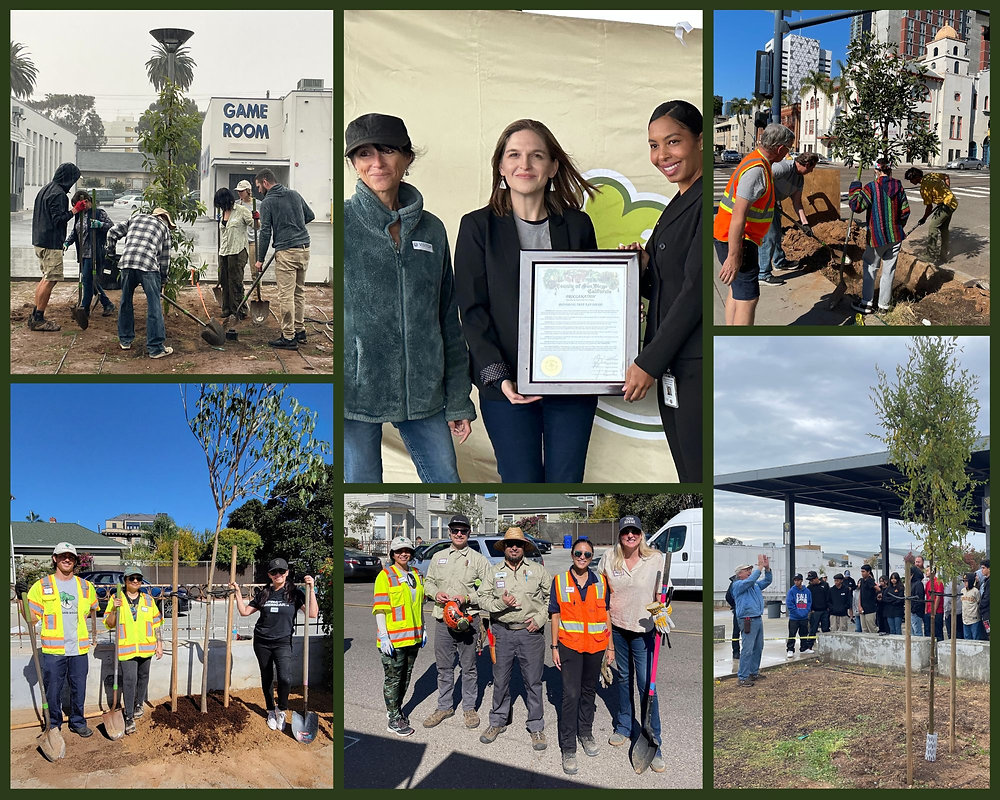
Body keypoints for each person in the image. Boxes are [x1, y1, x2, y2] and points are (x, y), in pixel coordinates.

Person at [454, 119, 598, 483]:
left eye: (537, 156)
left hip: (571, 385)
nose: (525, 164)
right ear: (501, 167)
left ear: (552, 167)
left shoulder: (578, 226)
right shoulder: (476, 227)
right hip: (507, 387)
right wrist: (498, 377)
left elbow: (593, 305)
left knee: (567, 480)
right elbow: (472, 312)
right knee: (520, 481)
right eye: (514, 155)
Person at [343, 113, 475, 483]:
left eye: (387, 150)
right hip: (354, 399)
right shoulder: (344, 224)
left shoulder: (432, 230)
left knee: (447, 480)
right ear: (353, 164)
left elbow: (448, 317)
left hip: (424, 393)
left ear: (407, 157)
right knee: (358, 488)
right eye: (364, 154)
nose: (377, 163)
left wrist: (458, 398)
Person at [619, 101, 704, 482]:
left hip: (695, 369)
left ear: (700, 141)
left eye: (673, 142)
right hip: (675, 370)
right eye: (654, 145)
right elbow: (668, 287)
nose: (662, 155)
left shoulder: (707, 202)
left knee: (698, 474)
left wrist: (648, 362)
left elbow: (695, 293)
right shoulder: (679, 200)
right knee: (688, 472)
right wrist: (643, 268)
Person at [596, 516, 669, 772]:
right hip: (617, 628)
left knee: (646, 685)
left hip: (644, 631)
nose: (630, 535)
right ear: (620, 534)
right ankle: (624, 726)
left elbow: (661, 595)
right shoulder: (609, 558)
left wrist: (663, 611)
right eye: (626, 531)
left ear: (641, 534)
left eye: (635, 531)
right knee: (624, 679)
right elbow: (602, 594)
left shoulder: (655, 559)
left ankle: (654, 741)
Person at [714, 123, 794, 325]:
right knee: (748, 298)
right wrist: (734, 255)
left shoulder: (757, 161)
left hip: (730, 236)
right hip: (740, 240)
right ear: (780, 148)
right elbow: (739, 215)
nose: (787, 154)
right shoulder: (757, 170)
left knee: (737, 291)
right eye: (788, 149)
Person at [479, 527, 552, 751]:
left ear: (524, 548)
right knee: (500, 679)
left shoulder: (538, 571)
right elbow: (482, 599)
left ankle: (536, 726)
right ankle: (498, 721)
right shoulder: (494, 571)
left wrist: (540, 619)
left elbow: (552, 599)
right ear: (504, 547)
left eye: (518, 544)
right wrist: (501, 604)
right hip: (502, 632)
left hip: (530, 633)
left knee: (533, 682)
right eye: (510, 544)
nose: (513, 547)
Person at [548, 537, 612, 774]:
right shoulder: (560, 580)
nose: (582, 558)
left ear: (592, 557)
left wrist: (610, 647)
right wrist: (554, 647)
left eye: (587, 554)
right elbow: (555, 615)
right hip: (570, 647)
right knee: (570, 695)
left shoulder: (601, 582)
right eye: (578, 553)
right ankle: (568, 747)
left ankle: (585, 733)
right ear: (572, 555)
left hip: (596, 646)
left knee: (588, 692)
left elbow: (606, 615)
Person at [422, 514, 491, 730]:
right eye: (455, 531)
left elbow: (489, 589)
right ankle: (444, 707)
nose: (459, 534)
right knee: (444, 667)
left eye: (463, 531)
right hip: (444, 619)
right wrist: (436, 593)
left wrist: (467, 598)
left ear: (469, 533)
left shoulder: (478, 560)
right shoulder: (439, 557)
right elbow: (428, 583)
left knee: (469, 667)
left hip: (468, 620)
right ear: (449, 533)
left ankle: (469, 708)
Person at [230, 558, 316, 732]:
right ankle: (270, 710)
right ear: (269, 574)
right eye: (274, 572)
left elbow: (313, 614)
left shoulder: (295, 593)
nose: (278, 575)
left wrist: (312, 589)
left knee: (285, 678)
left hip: (283, 642)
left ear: (287, 573)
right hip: (262, 641)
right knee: (267, 676)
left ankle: (281, 709)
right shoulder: (264, 593)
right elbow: (245, 612)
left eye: (281, 572)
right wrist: (238, 593)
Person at [25, 542, 100, 736]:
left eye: (71, 557)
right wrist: (21, 601)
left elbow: (92, 610)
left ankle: (77, 721)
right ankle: (53, 724)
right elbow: (32, 618)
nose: (67, 559)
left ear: (75, 561)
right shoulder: (42, 586)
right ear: (54, 559)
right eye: (62, 556)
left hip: (79, 648)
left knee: (79, 688)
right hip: (53, 649)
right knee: (53, 690)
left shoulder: (85, 586)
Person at [254, 167, 315, 349]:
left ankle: (289, 337)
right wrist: (294, 224)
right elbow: (310, 215)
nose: (258, 191)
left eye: (258, 186)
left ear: (266, 182)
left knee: (285, 295)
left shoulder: (268, 202)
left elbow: (265, 232)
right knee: (299, 292)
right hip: (304, 249)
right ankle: (300, 330)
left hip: (287, 252)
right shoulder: (294, 195)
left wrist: (260, 259)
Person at [105, 207, 175, 358]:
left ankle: (125, 340)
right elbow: (165, 259)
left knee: (125, 301)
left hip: (127, 263)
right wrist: (162, 280)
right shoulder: (164, 229)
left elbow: (111, 232)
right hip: (148, 265)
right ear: (165, 219)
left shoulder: (135, 218)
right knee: (154, 306)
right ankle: (155, 348)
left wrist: (110, 253)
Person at [373, 536, 426, 737]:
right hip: (393, 640)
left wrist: (424, 628)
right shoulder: (385, 576)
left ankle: (397, 710)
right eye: (398, 551)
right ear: (392, 554)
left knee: (405, 678)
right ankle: (393, 717)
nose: (403, 554)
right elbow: (380, 608)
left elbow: (419, 605)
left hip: (413, 637)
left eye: (407, 550)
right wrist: (384, 635)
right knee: (393, 680)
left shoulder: (416, 574)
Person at [103, 567, 163, 734]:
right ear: (126, 581)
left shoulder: (149, 600)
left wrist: (159, 644)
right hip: (127, 649)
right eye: (132, 578)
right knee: (130, 680)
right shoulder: (117, 598)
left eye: (138, 578)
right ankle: (128, 716)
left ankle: (138, 704)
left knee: (143, 677)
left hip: (146, 647)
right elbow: (109, 623)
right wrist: (115, 609)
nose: (135, 581)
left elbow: (156, 623)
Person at [847, 158, 911, 313]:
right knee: (889, 271)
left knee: (870, 267)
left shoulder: (872, 187)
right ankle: (884, 306)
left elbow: (856, 206)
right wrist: (898, 226)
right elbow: (905, 211)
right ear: (890, 170)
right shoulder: (898, 186)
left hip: (877, 236)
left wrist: (855, 187)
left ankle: (866, 304)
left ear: (876, 170)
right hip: (895, 236)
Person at [29, 162, 84, 331]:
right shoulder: (59, 194)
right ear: (68, 178)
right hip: (51, 243)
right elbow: (58, 219)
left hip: (40, 240)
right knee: (51, 279)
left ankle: (34, 315)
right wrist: (75, 210)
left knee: (46, 278)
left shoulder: (45, 189)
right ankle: (39, 318)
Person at [758, 152, 819, 285]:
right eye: (812, 167)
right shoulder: (783, 167)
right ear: (807, 164)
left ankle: (779, 262)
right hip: (763, 203)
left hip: (774, 204)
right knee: (769, 237)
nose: (812, 171)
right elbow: (762, 178)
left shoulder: (799, 179)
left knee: (777, 233)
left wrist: (805, 224)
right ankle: (762, 274)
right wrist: (769, 199)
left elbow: (797, 203)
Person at [64, 190, 116, 319]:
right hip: (83, 253)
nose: (78, 208)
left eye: (79, 204)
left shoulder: (99, 213)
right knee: (89, 280)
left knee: (87, 280)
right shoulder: (80, 215)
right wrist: (67, 242)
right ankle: (107, 303)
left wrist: (100, 225)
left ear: (86, 201)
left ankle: (84, 309)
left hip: (95, 252)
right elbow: (75, 231)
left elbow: (112, 227)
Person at [730, 555, 773, 687]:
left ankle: (753, 672)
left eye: (750, 569)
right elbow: (750, 581)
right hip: (747, 619)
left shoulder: (754, 585)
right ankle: (742, 677)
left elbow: (767, 581)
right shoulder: (737, 585)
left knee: (758, 647)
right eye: (746, 570)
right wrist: (759, 567)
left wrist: (767, 568)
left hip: (757, 618)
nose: (749, 572)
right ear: (739, 574)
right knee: (747, 649)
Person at [214, 187, 254, 324]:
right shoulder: (223, 212)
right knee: (224, 280)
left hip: (238, 251)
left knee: (235, 281)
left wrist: (257, 218)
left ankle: (240, 309)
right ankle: (227, 308)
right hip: (225, 251)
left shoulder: (241, 211)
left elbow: (256, 225)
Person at [904, 166, 958, 264]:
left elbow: (929, 207)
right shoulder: (931, 175)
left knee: (933, 226)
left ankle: (930, 255)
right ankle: (943, 256)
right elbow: (946, 176)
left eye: (911, 180)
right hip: (952, 202)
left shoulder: (924, 187)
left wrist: (923, 218)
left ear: (916, 178)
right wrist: (947, 190)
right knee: (943, 229)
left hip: (946, 205)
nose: (910, 182)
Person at [235, 179, 261, 268]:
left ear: (248, 191)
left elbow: (262, 223)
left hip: (254, 239)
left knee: (255, 267)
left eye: (242, 191)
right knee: (239, 265)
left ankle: (256, 281)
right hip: (241, 239)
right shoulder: (236, 204)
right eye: (238, 191)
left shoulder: (257, 204)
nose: (239, 193)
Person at [785, 573, 811, 657]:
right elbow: (790, 604)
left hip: (804, 617)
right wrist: (797, 613)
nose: (796, 582)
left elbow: (809, 602)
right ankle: (790, 649)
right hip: (794, 617)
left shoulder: (807, 591)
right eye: (795, 580)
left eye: (798, 580)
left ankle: (804, 648)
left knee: (804, 633)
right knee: (792, 633)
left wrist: (806, 611)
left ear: (801, 581)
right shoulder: (791, 591)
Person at [805, 571, 830, 650]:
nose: (811, 581)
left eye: (812, 580)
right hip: (814, 611)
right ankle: (809, 646)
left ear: (816, 578)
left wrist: (828, 608)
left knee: (825, 629)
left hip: (824, 611)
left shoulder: (825, 585)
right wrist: (810, 609)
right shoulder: (809, 587)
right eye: (809, 580)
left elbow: (828, 597)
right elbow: (808, 600)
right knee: (813, 629)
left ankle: (827, 645)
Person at [857, 564, 879, 633]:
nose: (862, 573)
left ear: (868, 572)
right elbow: (860, 593)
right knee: (864, 629)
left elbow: (878, 588)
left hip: (870, 609)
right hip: (863, 608)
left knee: (872, 628)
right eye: (861, 571)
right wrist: (859, 605)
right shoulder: (862, 581)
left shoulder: (870, 580)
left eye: (863, 571)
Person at [960, 572, 982, 641]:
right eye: (964, 581)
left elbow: (979, 602)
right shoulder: (962, 591)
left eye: (966, 581)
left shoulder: (975, 591)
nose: (965, 583)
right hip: (965, 619)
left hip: (974, 619)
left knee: (975, 638)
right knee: (967, 638)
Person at [924, 568, 944, 639]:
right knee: (928, 631)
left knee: (937, 632)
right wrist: (926, 610)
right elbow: (927, 597)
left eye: (928, 570)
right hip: (929, 610)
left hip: (937, 611)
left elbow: (938, 597)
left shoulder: (938, 582)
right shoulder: (928, 583)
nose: (926, 572)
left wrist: (934, 610)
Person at [725, 574, 740, 659]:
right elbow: (728, 596)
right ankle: (736, 652)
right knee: (736, 632)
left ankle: (740, 652)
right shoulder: (735, 583)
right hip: (738, 610)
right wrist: (735, 606)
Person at [908, 564, 926, 636]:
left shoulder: (918, 584)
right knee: (912, 632)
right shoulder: (912, 583)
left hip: (915, 612)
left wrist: (914, 609)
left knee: (917, 631)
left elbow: (919, 598)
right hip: (911, 611)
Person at [978, 559, 990, 640]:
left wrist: (980, 606)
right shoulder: (986, 581)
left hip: (988, 613)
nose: (982, 570)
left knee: (988, 633)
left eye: (983, 568)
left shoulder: (989, 582)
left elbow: (987, 597)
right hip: (985, 612)